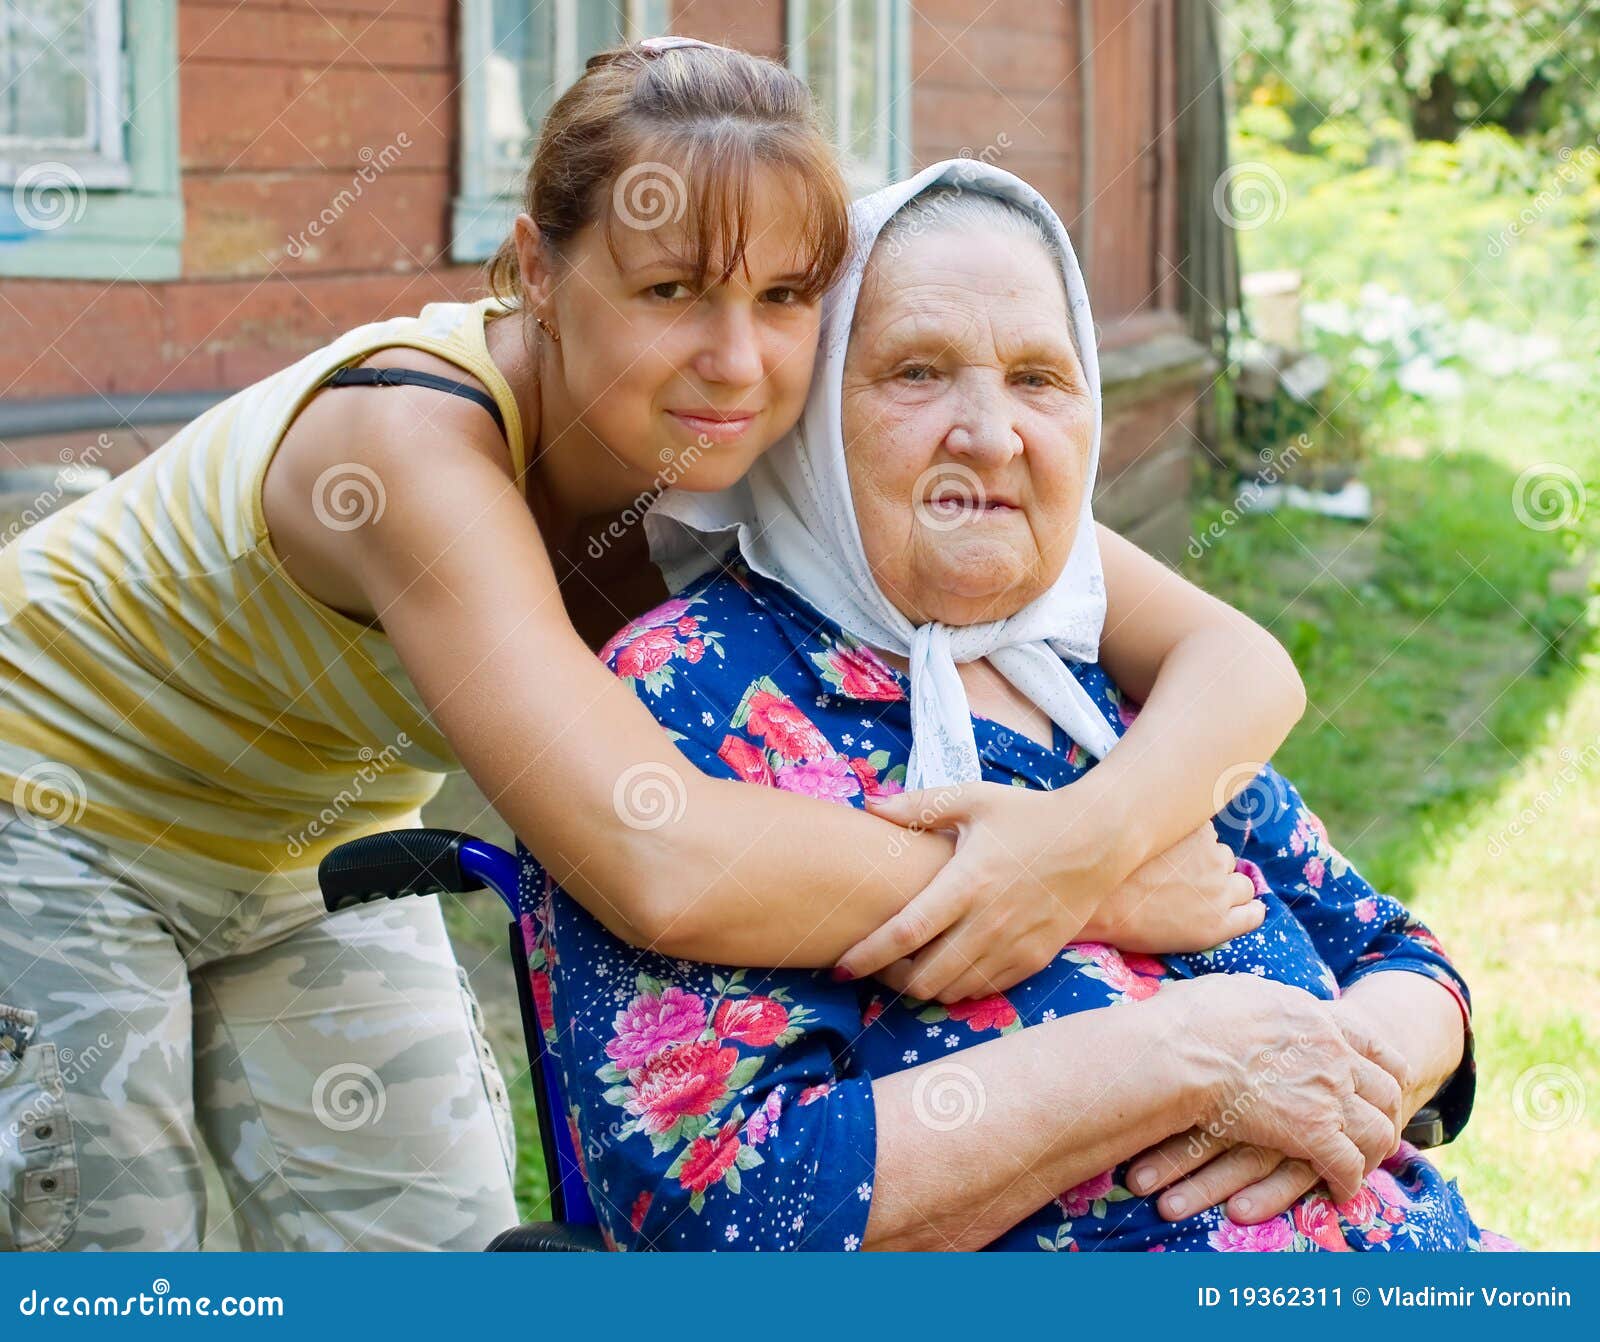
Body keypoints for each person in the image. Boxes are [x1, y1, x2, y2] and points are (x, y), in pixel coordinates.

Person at [0, 41, 1299, 1252]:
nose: (735, 359)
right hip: (52, 818)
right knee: (113, 1247)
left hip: (303, 853)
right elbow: (655, 854)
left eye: (787, 294)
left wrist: (1090, 830)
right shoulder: (405, 447)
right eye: (670, 288)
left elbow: (1242, 664)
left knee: (430, 1248)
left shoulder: (759, 417)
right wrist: (1081, 884)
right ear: (538, 271)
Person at [526, 160, 1512, 1252]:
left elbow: (1399, 956)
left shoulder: (1108, 679)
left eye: (1040, 378)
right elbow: (720, 1217)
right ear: (807, 417)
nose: (992, 435)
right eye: (916, 372)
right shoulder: (696, 696)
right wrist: (1180, 1059)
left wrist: (1334, 1072)